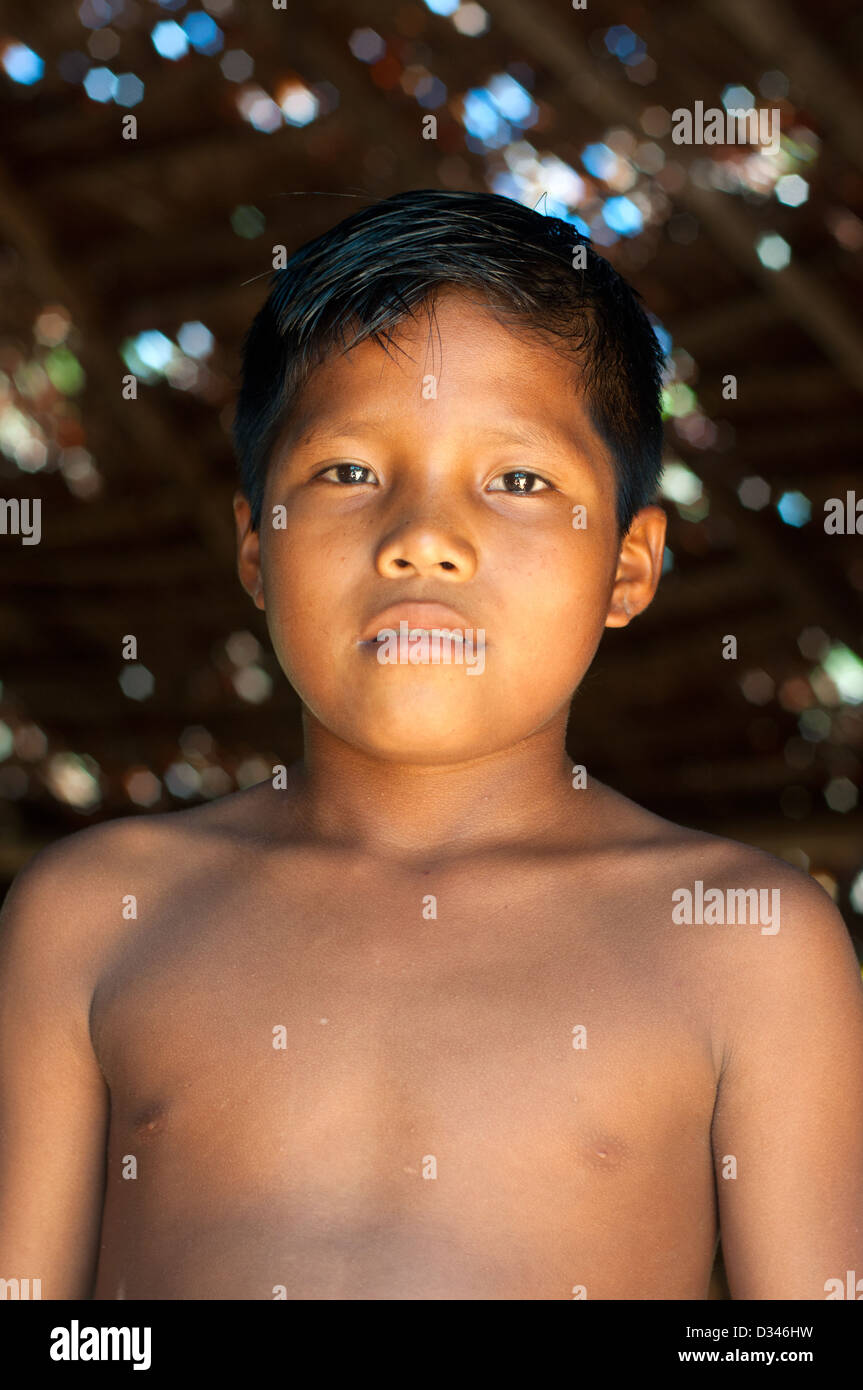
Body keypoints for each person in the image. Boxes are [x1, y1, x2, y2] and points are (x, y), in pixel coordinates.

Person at [1, 191, 861, 1301]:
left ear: (628, 567)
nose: (422, 540)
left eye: (516, 480)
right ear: (255, 546)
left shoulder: (746, 944)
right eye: (348, 472)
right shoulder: (94, 917)